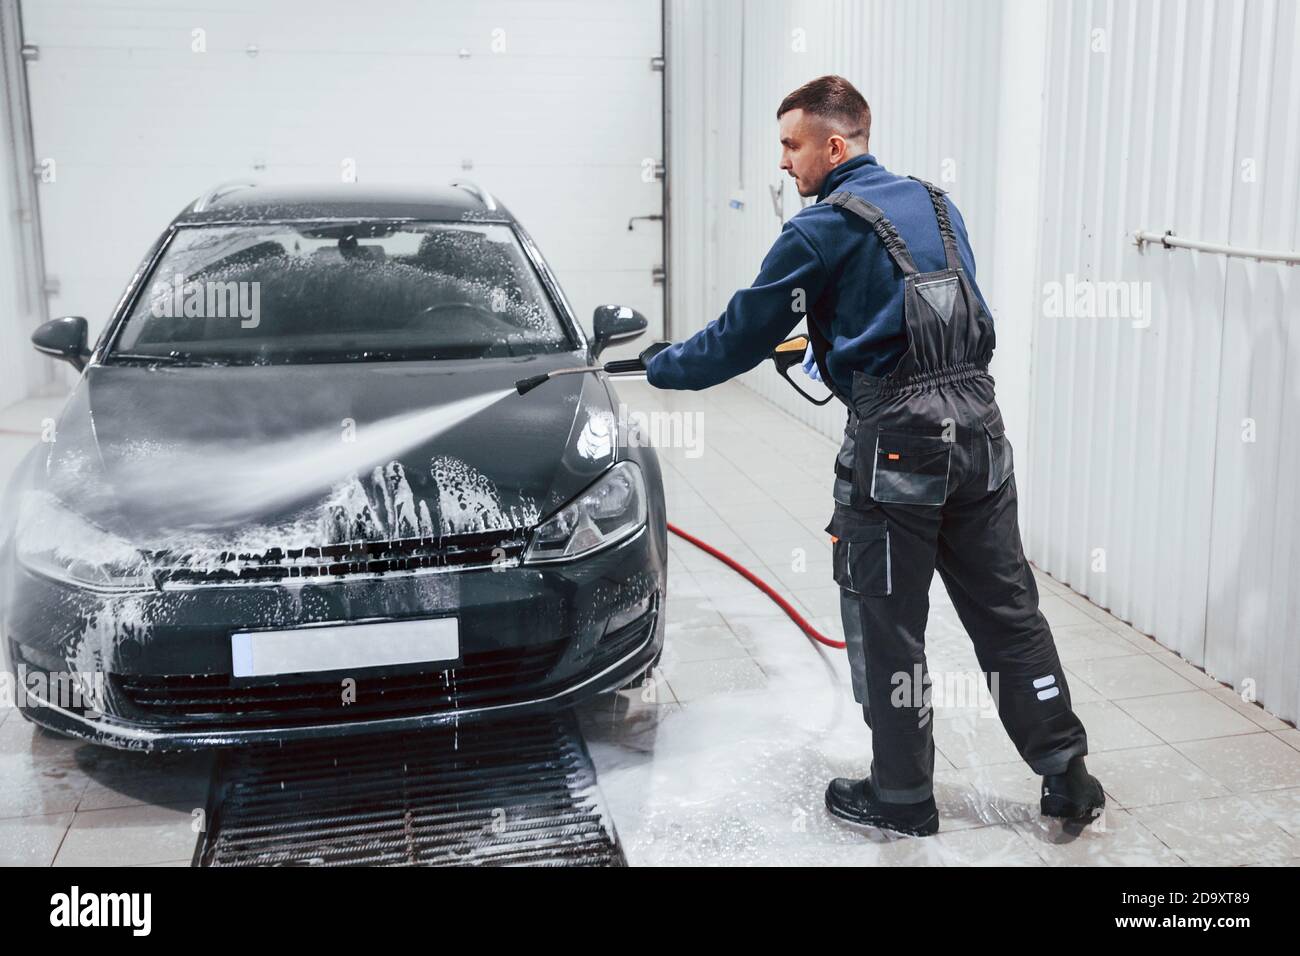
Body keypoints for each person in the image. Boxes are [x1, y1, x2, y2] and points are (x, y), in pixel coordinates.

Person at [640, 75, 1105, 837]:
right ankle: (1067, 775)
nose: (785, 165)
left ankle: (901, 797)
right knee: (1009, 612)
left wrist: (663, 365)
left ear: (834, 143)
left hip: (897, 454)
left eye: (792, 147)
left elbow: (740, 336)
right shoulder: (936, 203)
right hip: (981, 437)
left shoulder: (817, 231)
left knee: (889, 624)